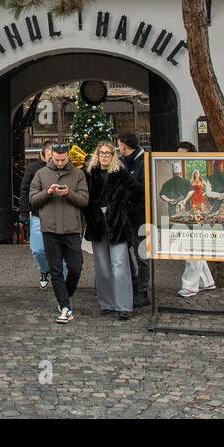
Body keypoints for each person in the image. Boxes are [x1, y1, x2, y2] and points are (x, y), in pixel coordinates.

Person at [28, 142, 89, 324]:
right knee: (55, 270)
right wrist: (47, 192)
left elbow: (84, 200)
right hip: (50, 229)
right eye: (57, 159)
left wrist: (69, 193)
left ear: (68, 156)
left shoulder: (78, 174)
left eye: (63, 160)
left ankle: (66, 294)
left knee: (76, 267)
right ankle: (64, 306)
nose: (60, 163)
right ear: (51, 156)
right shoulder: (41, 174)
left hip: (71, 229)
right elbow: (32, 200)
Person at [84, 141, 135, 320]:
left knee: (120, 266)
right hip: (97, 224)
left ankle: (124, 306)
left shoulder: (120, 173)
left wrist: (123, 209)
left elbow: (136, 191)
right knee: (103, 267)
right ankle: (107, 303)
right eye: (101, 153)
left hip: (117, 224)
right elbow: (84, 197)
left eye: (108, 153)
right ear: (97, 155)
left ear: (113, 155)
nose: (104, 156)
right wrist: (91, 214)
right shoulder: (90, 173)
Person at [174, 141, 216, 298]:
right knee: (192, 243)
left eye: (182, 154)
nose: (179, 157)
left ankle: (190, 286)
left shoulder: (201, 171)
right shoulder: (185, 174)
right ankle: (207, 281)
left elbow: (205, 190)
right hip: (190, 207)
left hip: (200, 207)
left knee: (193, 245)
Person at [18, 145, 61, 289]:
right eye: (50, 153)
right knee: (38, 250)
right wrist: (23, 211)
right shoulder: (33, 168)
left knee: (59, 249)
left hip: (57, 214)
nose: (53, 157)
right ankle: (44, 269)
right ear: (43, 153)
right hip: (38, 214)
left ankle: (60, 280)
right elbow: (25, 189)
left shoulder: (61, 167)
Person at [118, 132, 150, 308]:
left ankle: (143, 291)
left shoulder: (143, 161)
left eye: (119, 144)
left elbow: (142, 189)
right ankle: (133, 281)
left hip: (140, 216)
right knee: (122, 250)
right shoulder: (124, 162)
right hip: (125, 216)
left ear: (123, 145)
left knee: (142, 254)